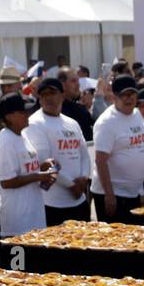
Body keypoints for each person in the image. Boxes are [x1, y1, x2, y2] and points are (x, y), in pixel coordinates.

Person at [26, 77, 91, 226]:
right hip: (53, 203)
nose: (48, 97)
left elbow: (84, 154)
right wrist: (71, 185)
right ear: (39, 99)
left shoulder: (71, 123)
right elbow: (44, 161)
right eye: (43, 94)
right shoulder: (35, 123)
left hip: (78, 199)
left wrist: (84, 178)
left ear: (62, 95)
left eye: (52, 93)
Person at [0, 93, 54, 238]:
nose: (27, 115)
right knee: (19, 261)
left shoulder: (22, 135)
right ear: (9, 117)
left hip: (34, 219)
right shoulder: (5, 141)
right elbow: (7, 182)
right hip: (17, 225)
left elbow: (26, 168)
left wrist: (43, 166)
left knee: (34, 261)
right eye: (22, 112)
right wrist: (38, 176)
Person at [91, 75, 144, 221]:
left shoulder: (137, 114)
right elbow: (100, 161)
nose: (129, 99)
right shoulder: (107, 122)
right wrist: (109, 195)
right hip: (113, 195)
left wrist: (140, 191)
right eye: (124, 95)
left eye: (132, 94)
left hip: (132, 193)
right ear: (114, 96)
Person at [58, 67, 95, 142]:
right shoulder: (55, 111)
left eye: (78, 81)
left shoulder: (81, 109)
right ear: (62, 85)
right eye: (73, 81)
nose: (78, 85)